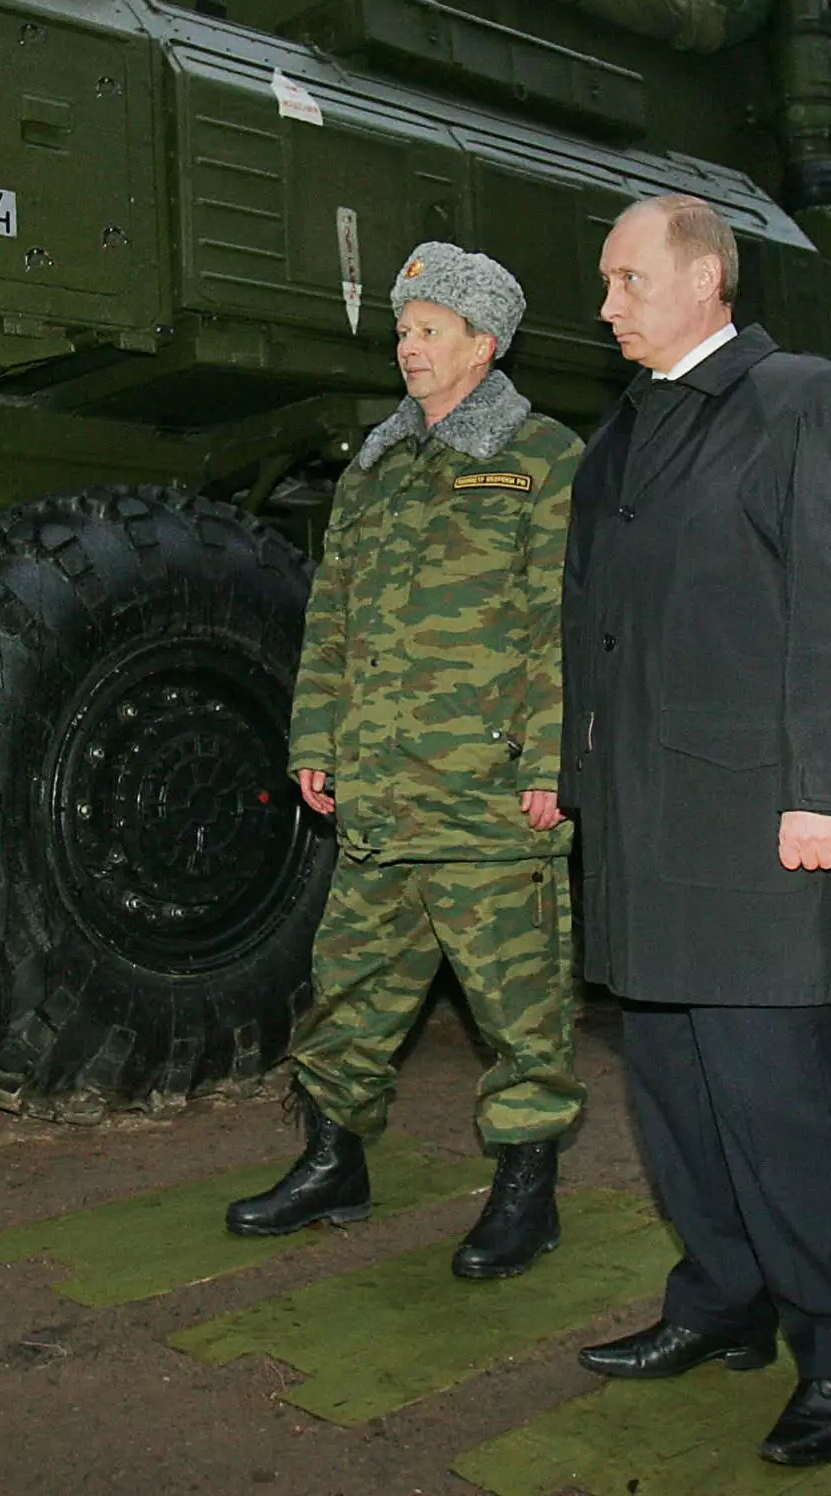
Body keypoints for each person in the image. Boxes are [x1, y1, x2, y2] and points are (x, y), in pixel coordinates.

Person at [562, 194, 831, 1469]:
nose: (606, 306)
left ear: (707, 277)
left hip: (765, 820)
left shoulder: (799, 401)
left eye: (625, 279)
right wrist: (568, 775)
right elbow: (591, 627)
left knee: (778, 1100)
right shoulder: (626, 434)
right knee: (676, 1090)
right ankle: (722, 1302)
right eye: (604, 283)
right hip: (645, 821)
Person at [226, 240, 582, 1281]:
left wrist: (553, 761)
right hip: (380, 792)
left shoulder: (543, 457)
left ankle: (528, 1194)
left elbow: (567, 622)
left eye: (428, 330)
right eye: (401, 330)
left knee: (518, 1005)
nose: (407, 347)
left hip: (488, 793)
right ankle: (333, 1166)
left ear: (485, 341)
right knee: (349, 988)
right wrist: (315, 738)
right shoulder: (375, 465)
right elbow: (330, 616)